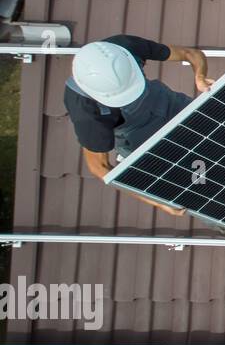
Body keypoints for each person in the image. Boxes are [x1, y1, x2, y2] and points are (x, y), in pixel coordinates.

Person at [65, 35, 212, 217]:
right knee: (202, 193)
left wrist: (200, 77)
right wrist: (158, 202)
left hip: (174, 107)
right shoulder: (85, 112)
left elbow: (190, 54)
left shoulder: (122, 48)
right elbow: (99, 167)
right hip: (144, 143)